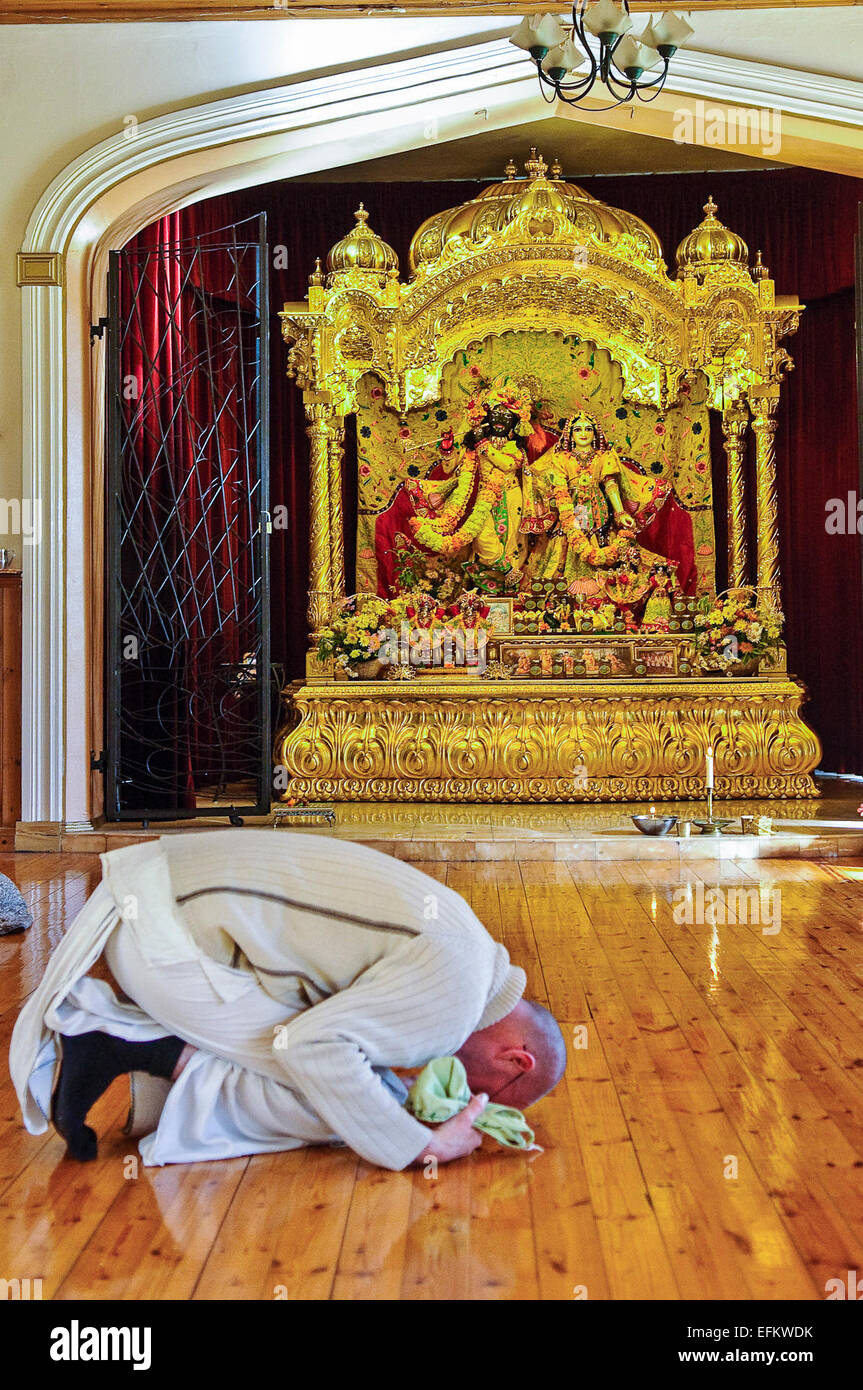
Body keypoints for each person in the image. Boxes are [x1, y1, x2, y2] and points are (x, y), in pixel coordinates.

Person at [10, 831, 566, 1171]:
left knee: (365, 1088)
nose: (466, 1102)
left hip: (150, 901)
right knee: (349, 1103)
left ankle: (122, 1051)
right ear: (516, 1060)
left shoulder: (473, 948)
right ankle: (127, 1045)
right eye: (488, 1100)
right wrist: (423, 1144)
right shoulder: (456, 999)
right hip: (162, 942)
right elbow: (314, 1048)